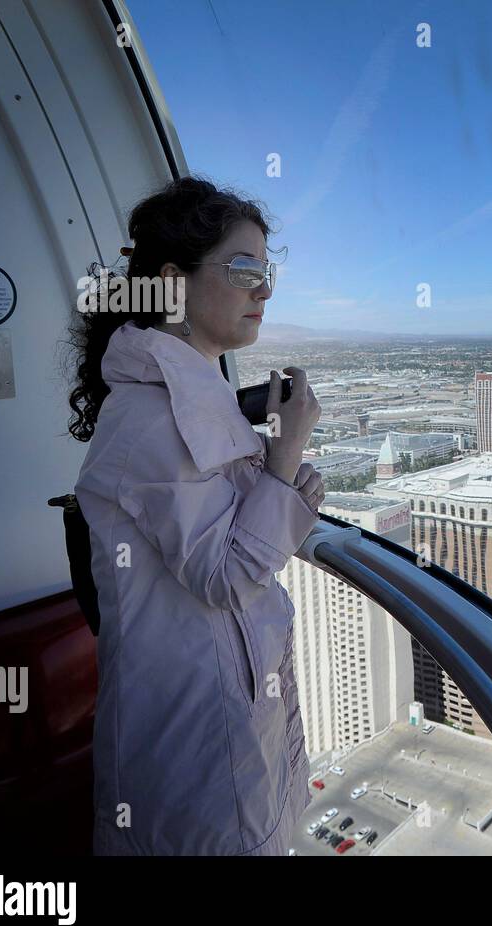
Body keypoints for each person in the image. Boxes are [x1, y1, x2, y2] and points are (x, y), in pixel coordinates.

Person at [66, 177, 324, 854]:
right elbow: (225, 573)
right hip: (198, 746)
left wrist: (282, 481)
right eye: (243, 270)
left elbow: (229, 534)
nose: (263, 290)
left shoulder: (195, 397)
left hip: (226, 720)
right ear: (173, 282)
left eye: (266, 272)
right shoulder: (153, 416)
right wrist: (286, 455)